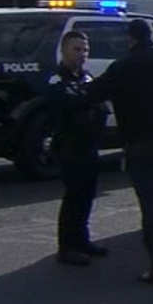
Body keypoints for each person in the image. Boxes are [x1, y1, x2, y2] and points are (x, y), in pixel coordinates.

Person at [82, 19, 153, 285]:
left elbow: (93, 94)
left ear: (130, 38)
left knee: (150, 206)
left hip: (140, 141)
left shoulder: (123, 66)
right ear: (151, 35)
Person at [47, 30, 109, 266]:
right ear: (64, 51)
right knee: (74, 196)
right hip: (70, 146)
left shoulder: (86, 78)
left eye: (85, 50)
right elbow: (66, 106)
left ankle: (82, 240)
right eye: (77, 49)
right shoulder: (56, 80)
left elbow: (99, 106)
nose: (82, 54)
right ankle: (67, 247)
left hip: (90, 145)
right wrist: (88, 99)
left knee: (87, 195)